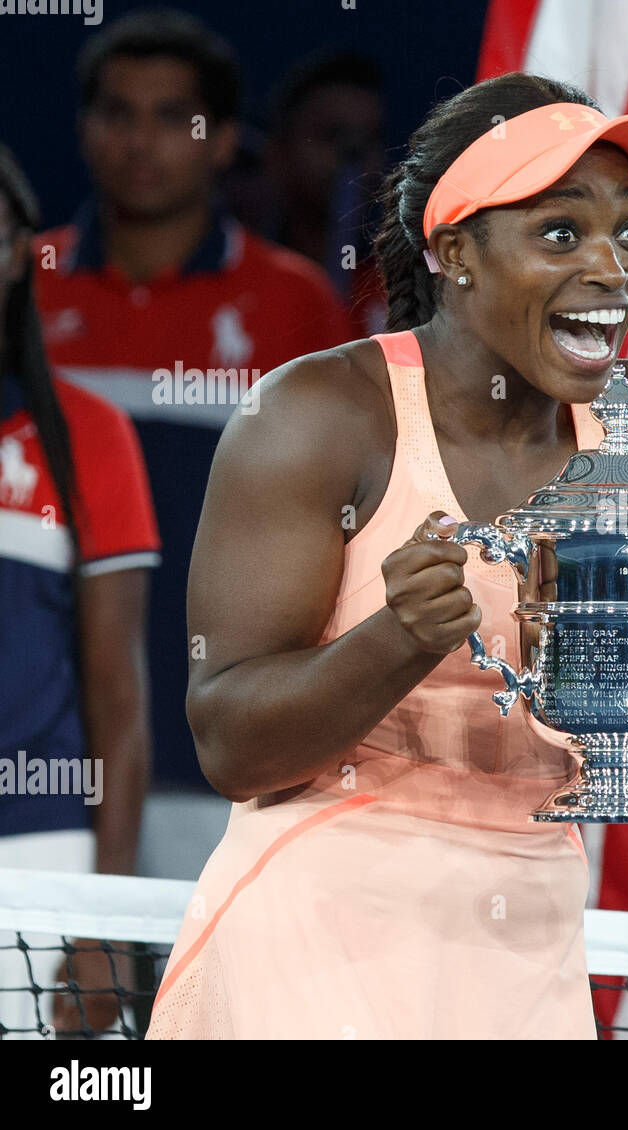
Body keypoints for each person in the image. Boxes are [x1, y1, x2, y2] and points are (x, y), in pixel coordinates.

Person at [145, 72, 628, 1040]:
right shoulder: (318, 415)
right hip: (306, 946)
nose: (612, 266)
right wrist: (397, 640)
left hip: (525, 952)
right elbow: (230, 742)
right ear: (456, 250)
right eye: (561, 232)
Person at [33, 8, 354, 881]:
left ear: (222, 143)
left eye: (175, 117)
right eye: (117, 113)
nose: (142, 142)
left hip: (231, 759)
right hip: (40, 767)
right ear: (83, 127)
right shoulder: (22, 286)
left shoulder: (298, 309)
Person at [0, 144, 160, 1038]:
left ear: (21, 252)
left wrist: (106, 919)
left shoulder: (88, 438)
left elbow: (119, 703)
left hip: (35, 848)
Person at [261, 50, 389, 335]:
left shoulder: (401, 297)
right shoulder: (241, 283)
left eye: (367, 139)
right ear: (277, 153)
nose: (351, 158)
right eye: (333, 135)